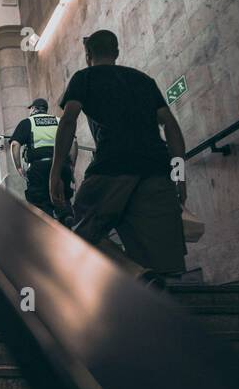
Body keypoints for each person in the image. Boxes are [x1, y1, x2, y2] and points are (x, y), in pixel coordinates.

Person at [48, 30, 187, 282]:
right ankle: (157, 300)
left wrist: (56, 171)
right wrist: (180, 176)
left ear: (88, 54)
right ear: (117, 52)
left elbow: (68, 120)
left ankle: (135, 274)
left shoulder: (84, 78)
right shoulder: (144, 80)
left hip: (111, 167)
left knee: (81, 233)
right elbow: (170, 125)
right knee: (161, 251)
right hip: (156, 168)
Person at [9, 97, 77, 219]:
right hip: (61, 165)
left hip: (39, 168)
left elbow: (15, 145)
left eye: (31, 109)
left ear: (34, 109)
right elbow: (73, 142)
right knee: (62, 197)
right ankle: (66, 217)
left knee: (40, 202)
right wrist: (71, 165)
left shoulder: (28, 122)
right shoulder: (58, 120)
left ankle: (47, 226)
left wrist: (18, 167)